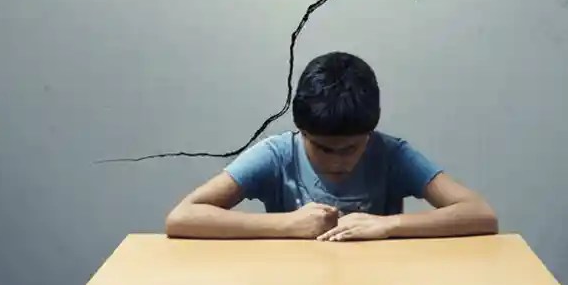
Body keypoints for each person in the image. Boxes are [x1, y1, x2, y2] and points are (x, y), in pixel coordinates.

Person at [165, 51, 499, 241]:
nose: (338, 161)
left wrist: (388, 225)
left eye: (351, 148)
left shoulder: (392, 155)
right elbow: (182, 218)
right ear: (302, 131)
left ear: (371, 131)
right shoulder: (277, 155)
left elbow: (480, 214)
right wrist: (284, 225)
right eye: (324, 149)